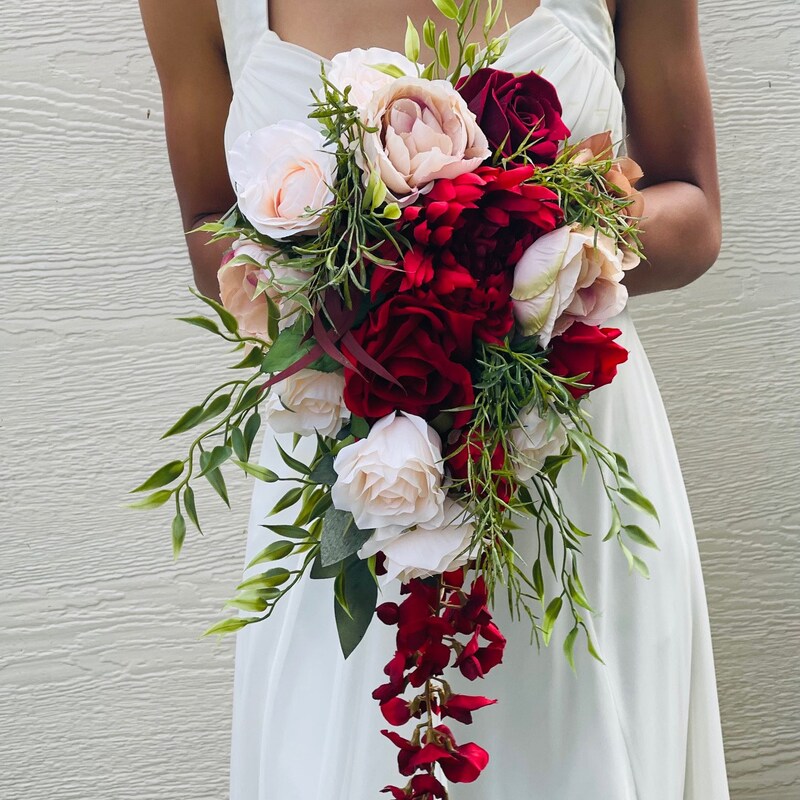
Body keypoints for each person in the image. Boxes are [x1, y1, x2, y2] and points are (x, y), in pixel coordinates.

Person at [140, 1, 730, 797]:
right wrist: (376, 276)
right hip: (348, 486)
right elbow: (210, 227)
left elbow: (692, 208)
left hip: (573, 480)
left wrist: (513, 245)